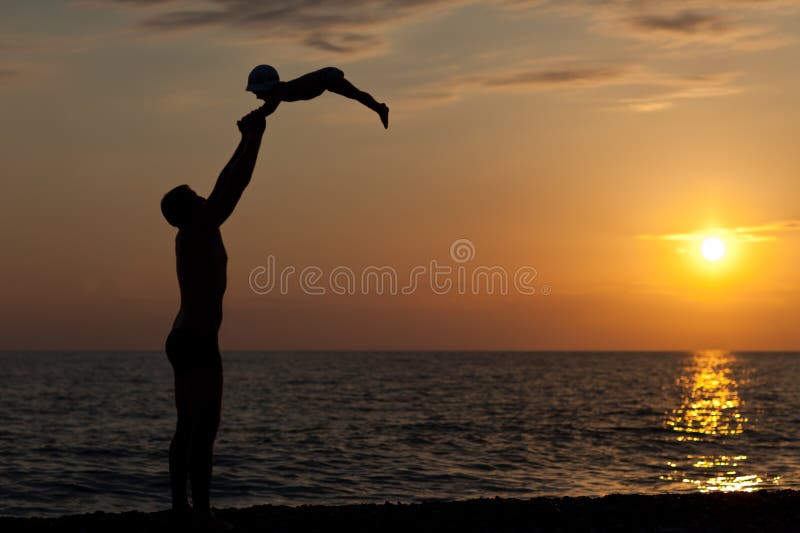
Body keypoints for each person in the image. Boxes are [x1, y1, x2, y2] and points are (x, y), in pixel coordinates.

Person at [160, 101, 277, 530]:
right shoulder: (200, 227)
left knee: (187, 426)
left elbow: (225, 180)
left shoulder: (194, 227)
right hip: (196, 339)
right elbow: (237, 185)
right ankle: (202, 513)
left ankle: (180, 509)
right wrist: (258, 136)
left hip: (181, 336)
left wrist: (245, 137)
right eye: (196, 196)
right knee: (203, 429)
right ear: (188, 210)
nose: (203, 195)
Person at [246, 64, 389, 129]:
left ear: (266, 86)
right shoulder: (280, 91)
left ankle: (380, 108)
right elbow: (268, 107)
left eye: (257, 92)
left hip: (327, 77)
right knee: (356, 95)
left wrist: (255, 116)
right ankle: (379, 108)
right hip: (326, 78)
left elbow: (268, 109)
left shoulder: (278, 92)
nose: (258, 97)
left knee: (356, 95)